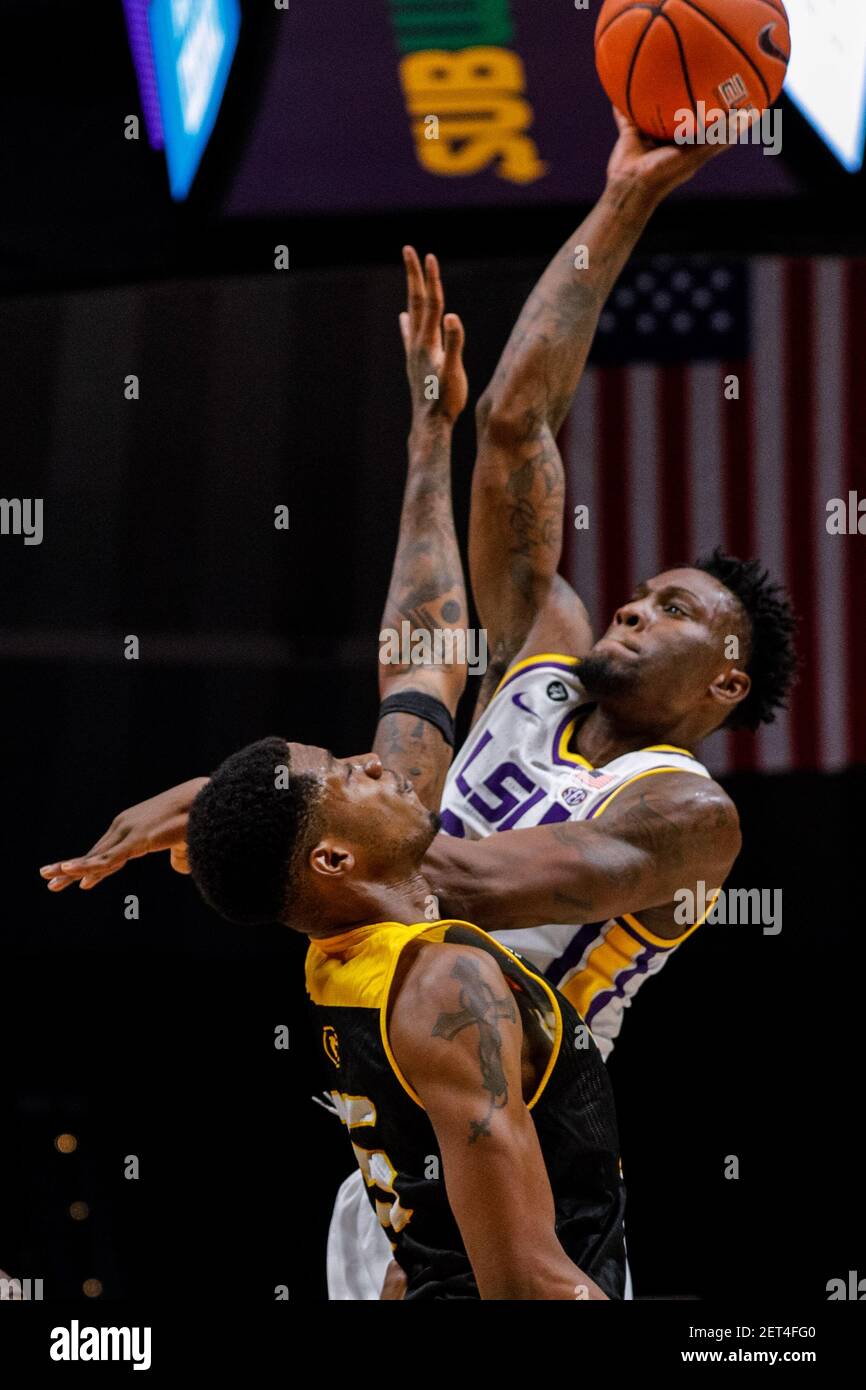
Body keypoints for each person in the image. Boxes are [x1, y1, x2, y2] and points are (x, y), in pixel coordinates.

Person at [41, 258, 626, 1301]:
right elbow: (534, 1283)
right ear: (331, 854)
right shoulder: (442, 981)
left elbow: (417, 657)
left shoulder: (353, 940)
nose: (371, 757)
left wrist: (425, 436)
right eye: (345, 771)